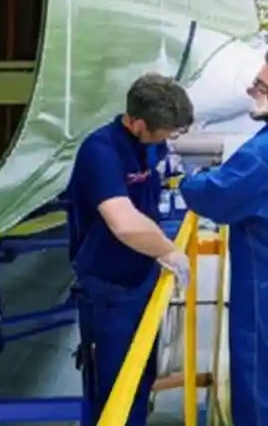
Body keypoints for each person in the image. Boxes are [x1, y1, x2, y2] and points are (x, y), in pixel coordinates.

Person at [178, 49, 268, 426]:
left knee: (260, 382)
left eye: (260, 86)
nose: (250, 90)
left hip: (265, 282)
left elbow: (216, 197)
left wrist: (186, 179)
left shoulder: (265, 152)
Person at [66, 73, 195, 426]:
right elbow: (122, 222)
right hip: (108, 290)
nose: (167, 140)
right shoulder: (100, 152)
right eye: (164, 132)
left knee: (141, 376)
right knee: (113, 390)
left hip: (142, 278)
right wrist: (168, 250)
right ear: (138, 123)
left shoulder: (150, 145)